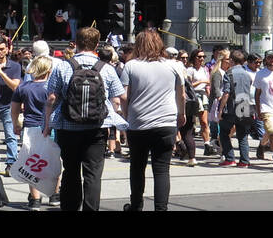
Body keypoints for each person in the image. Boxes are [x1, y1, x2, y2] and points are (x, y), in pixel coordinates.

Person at [44, 25, 126, 211]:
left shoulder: (63, 66)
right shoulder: (106, 69)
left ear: (76, 43)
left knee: (71, 172)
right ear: (97, 44)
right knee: (93, 174)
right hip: (96, 129)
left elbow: (51, 98)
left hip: (68, 127)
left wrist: (47, 124)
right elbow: (117, 98)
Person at [121, 29, 186, 212]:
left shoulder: (131, 66)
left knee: (137, 167)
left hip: (138, 123)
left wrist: (126, 116)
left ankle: (135, 205)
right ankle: (161, 208)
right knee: (162, 169)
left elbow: (124, 97)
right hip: (166, 122)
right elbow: (181, 94)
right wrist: (181, 114)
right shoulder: (173, 66)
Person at [11, 55, 54, 210]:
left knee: (32, 163)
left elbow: (14, 110)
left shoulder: (23, 87)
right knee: (54, 161)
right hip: (51, 128)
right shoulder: (52, 87)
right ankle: (54, 193)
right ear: (49, 70)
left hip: (30, 127)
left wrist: (16, 124)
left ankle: (35, 199)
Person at [0, 39, 21, 174]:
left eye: (2, 49)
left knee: (10, 135)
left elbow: (15, 86)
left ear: (7, 49)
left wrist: (0, 72)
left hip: (8, 105)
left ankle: (11, 163)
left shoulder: (14, 66)